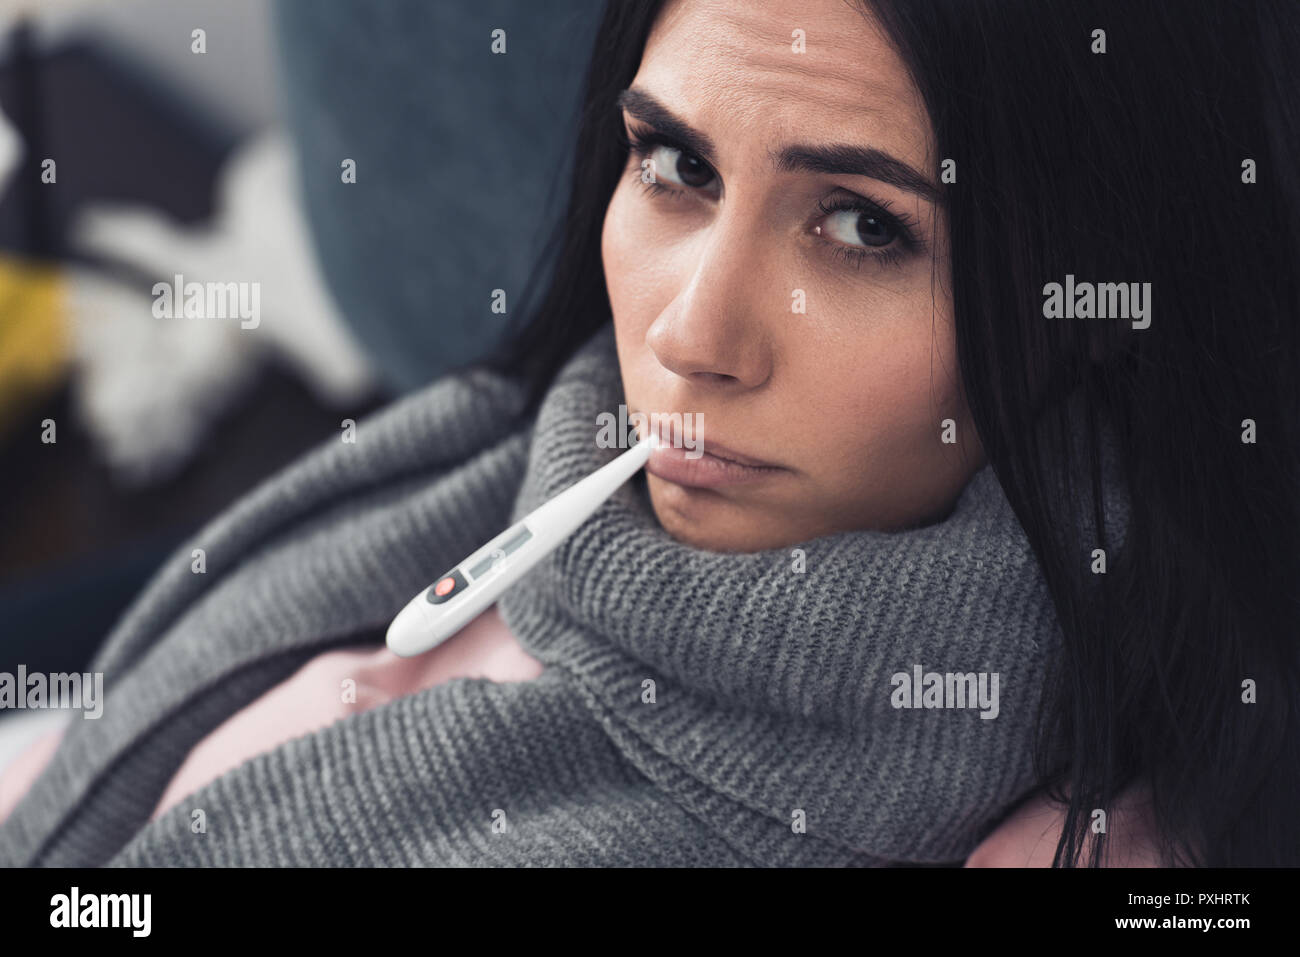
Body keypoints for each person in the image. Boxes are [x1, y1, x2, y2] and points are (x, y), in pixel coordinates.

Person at [2, 0, 1297, 867]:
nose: (689, 337)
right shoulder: (498, 440)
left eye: (862, 226)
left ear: (1088, 307)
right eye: (677, 167)